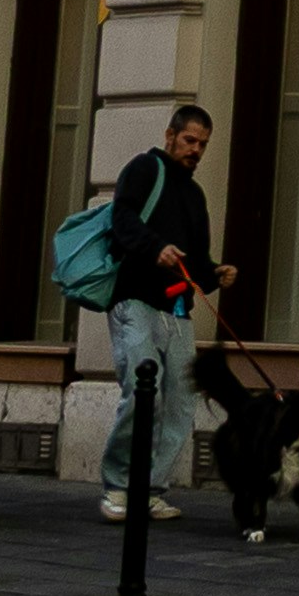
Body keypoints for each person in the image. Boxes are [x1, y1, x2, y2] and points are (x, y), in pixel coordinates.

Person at [99, 102, 226, 526]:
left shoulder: (194, 194)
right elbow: (122, 219)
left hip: (177, 309)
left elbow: (198, 260)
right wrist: (156, 249)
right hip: (135, 298)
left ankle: (150, 490)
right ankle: (118, 487)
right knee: (140, 390)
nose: (196, 150)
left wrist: (215, 274)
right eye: (190, 140)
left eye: (203, 144)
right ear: (170, 135)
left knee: (180, 405)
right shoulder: (144, 169)